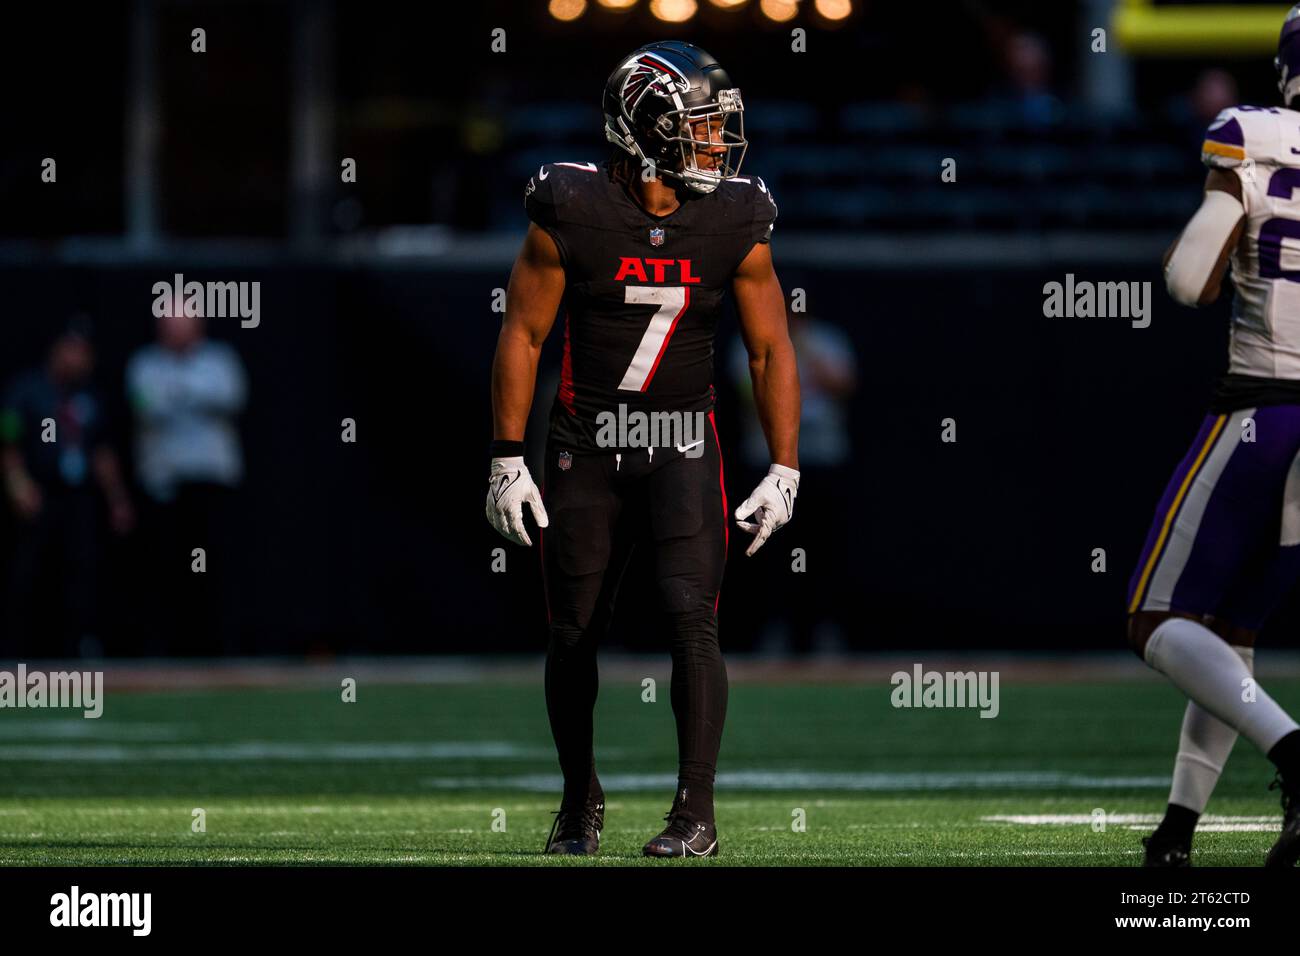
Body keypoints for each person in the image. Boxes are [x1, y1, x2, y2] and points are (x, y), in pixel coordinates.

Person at [486, 41, 800, 857]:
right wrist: (505, 455)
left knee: (693, 617)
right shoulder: (571, 205)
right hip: (584, 440)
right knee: (572, 630)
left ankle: (695, 814)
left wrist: (786, 467)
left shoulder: (735, 213)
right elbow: (523, 332)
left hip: (681, 439)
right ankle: (579, 796)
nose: (712, 144)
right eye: (696, 127)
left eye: (715, 127)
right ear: (640, 126)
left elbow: (770, 349)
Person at [1128, 5, 1300, 868]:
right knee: (1230, 634)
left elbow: (1190, 280)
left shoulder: (1255, 137)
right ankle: (1179, 829)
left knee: (1156, 619)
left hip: (1268, 406)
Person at [1, 320, 133, 657]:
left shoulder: (90, 396)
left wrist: (116, 498)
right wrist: (18, 485)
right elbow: (9, 442)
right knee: (30, 574)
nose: (79, 359)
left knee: (81, 572)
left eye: (85, 353)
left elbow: (102, 451)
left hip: (80, 498)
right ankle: (19, 650)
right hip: (40, 494)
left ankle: (77, 647)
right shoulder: (27, 390)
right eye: (73, 351)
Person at [127, 310, 247, 656]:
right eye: (170, 325)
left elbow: (230, 396)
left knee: (214, 570)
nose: (176, 332)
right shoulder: (144, 363)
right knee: (164, 571)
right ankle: (162, 652)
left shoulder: (219, 359)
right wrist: (195, 395)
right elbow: (144, 404)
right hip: (164, 482)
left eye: (183, 324)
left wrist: (177, 392)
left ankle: (219, 649)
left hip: (211, 483)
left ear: (197, 327)